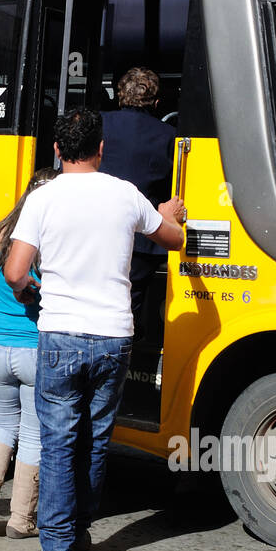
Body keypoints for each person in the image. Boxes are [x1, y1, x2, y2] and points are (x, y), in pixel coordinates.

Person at [4, 109, 185, 551]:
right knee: (95, 438)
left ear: (57, 150)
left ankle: (58, 550)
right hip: (114, 336)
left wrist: (33, 292)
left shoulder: (43, 198)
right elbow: (172, 238)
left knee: (59, 441)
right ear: (101, 149)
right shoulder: (125, 193)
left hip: (61, 332)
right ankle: (80, 534)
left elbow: (15, 270)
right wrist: (167, 215)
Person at [0, 167, 58, 537]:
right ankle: (21, 520)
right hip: (33, 349)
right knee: (34, 435)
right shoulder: (50, 235)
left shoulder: (5, 230)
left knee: (0, 424)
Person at [100, 67, 177, 350]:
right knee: (128, 305)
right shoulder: (170, 136)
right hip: (144, 240)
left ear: (119, 97)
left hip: (96, 230)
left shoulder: (98, 123)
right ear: (157, 103)